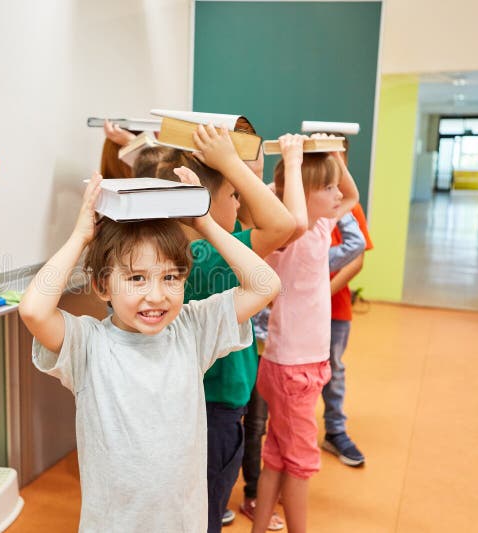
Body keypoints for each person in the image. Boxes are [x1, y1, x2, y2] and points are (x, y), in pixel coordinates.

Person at [18, 170, 280, 532]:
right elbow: (33, 310)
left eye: (170, 278)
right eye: (137, 278)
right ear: (102, 285)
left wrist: (205, 224)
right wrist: (80, 238)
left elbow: (266, 284)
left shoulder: (192, 329)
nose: (156, 295)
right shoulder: (89, 344)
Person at [156, 123, 295, 533]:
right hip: (214, 409)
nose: (240, 203)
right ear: (202, 203)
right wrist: (230, 164)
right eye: (234, 194)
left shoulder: (187, 250)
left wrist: (233, 166)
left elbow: (261, 218)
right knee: (205, 512)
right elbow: (282, 225)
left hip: (208, 404)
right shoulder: (205, 254)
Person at [251, 135, 359, 533]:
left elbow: (352, 193)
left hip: (299, 365)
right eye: (326, 187)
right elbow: (293, 215)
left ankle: (259, 528)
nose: (336, 194)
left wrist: (330, 155)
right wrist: (293, 164)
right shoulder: (289, 237)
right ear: (301, 194)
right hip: (292, 369)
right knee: (300, 465)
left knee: (278, 457)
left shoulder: (318, 228)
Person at [322, 201, 372, 466]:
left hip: (334, 309)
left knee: (334, 369)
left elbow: (357, 258)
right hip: (296, 312)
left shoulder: (350, 207)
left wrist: (320, 295)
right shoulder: (295, 201)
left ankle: (335, 430)